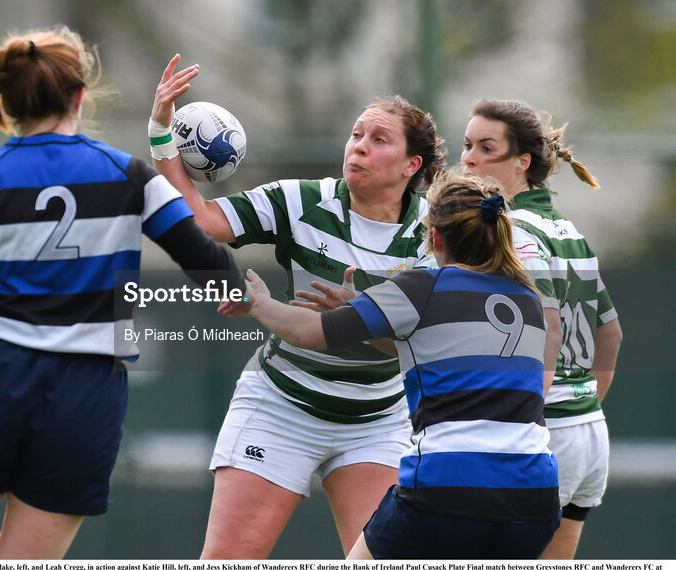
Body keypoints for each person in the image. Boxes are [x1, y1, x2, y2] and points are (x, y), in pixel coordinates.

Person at [0, 26, 242, 560]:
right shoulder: (130, 176)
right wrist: (236, 291)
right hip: (85, 396)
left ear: (10, 103)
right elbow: (208, 263)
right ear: (80, 96)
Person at [150, 55, 446, 558]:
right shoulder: (302, 201)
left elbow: (431, 346)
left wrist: (356, 317)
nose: (358, 148)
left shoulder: (434, 235)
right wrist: (160, 131)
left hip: (376, 420)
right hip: (282, 406)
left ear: (411, 165)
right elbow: (200, 219)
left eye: (379, 141)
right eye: (356, 135)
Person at [220, 172, 562, 559]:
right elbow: (427, 343)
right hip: (535, 497)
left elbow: (311, 332)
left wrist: (259, 305)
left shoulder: (423, 286)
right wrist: (357, 315)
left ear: (435, 239)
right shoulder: (527, 299)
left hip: (448, 487)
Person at [461, 98, 622, 559]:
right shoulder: (569, 230)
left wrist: (534, 423)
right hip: (588, 433)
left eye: (486, 147)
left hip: (541, 433)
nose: (469, 158)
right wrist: (581, 406)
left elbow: (547, 331)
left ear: (522, 162)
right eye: (468, 145)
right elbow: (610, 335)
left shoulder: (510, 227)